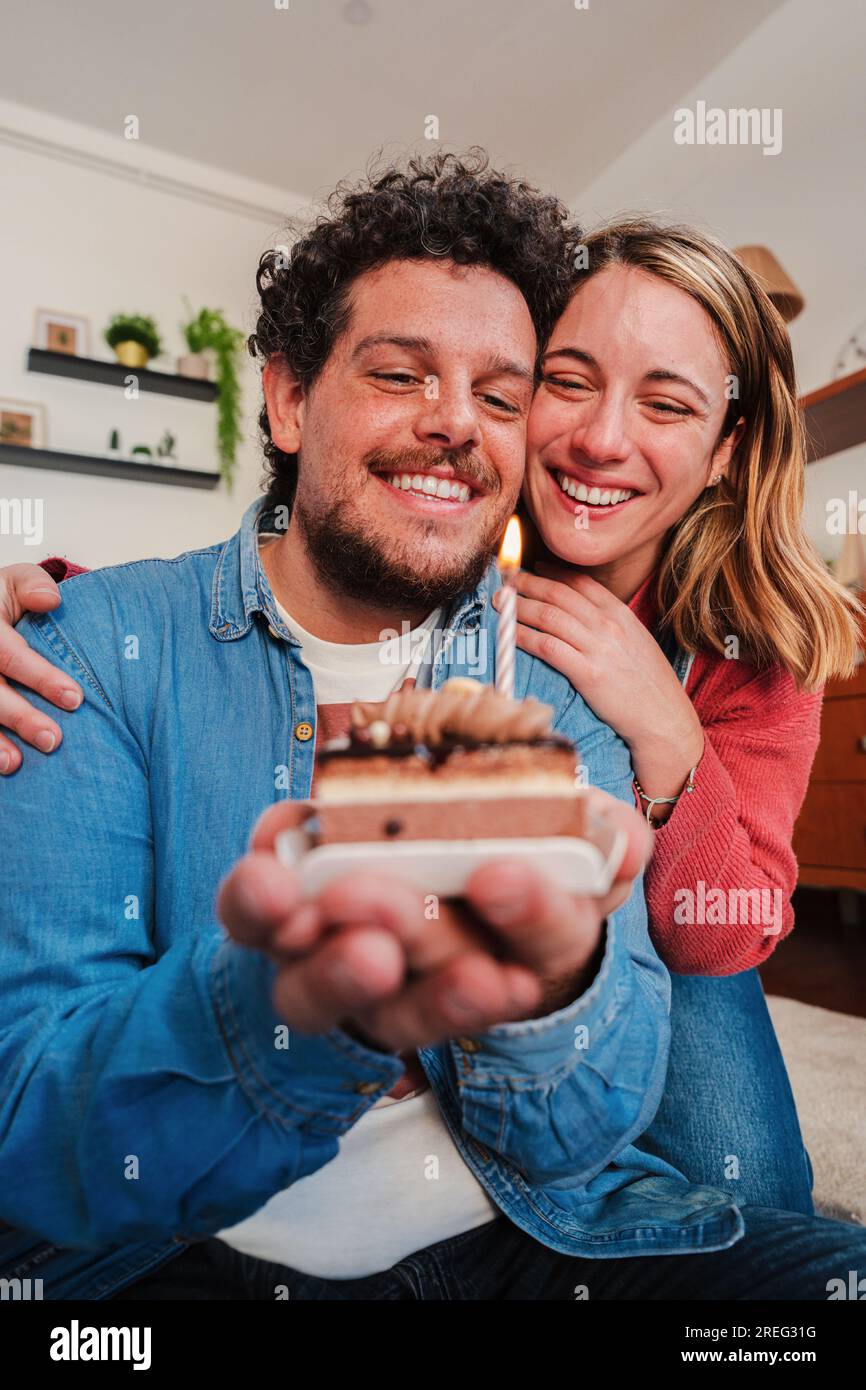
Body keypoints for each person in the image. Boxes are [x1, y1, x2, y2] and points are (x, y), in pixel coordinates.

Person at [1, 153, 864, 1300]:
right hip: (197, 1256)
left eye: (496, 394)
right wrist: (293, 995)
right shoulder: (98, 651)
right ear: (290, 396)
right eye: (402, 373)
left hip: (598, 1111)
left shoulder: (614, 667)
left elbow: (702, 955)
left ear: (719, 453)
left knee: (771, 1222)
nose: (457, 422)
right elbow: (36, 1128)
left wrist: (560, 967)